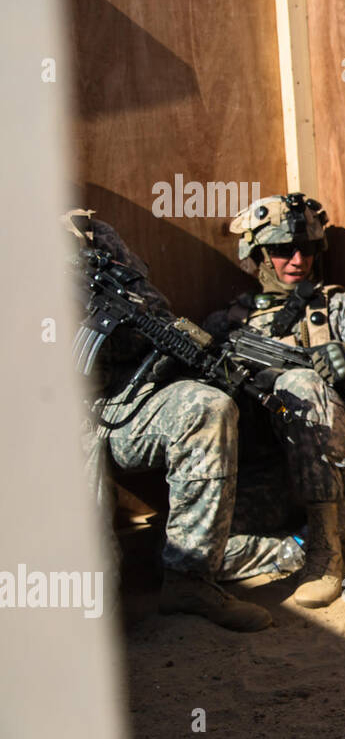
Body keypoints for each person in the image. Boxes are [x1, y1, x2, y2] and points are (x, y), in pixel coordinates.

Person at [205, 193, 345, 607]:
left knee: (301, 384)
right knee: (199, 558)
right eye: (283, 250)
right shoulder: (226, 323)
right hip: (268, 472)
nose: (298, 260)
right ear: (258, 253)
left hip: (340, 463)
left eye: (308, 249)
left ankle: (325, 553)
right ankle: (326, 537)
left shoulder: (336, 307)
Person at [69, 210, 271, 632]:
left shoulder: (90, 234)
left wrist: (134, 328)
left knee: (208, 408)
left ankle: (189, 578)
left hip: (123, 400)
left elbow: (152, 308)